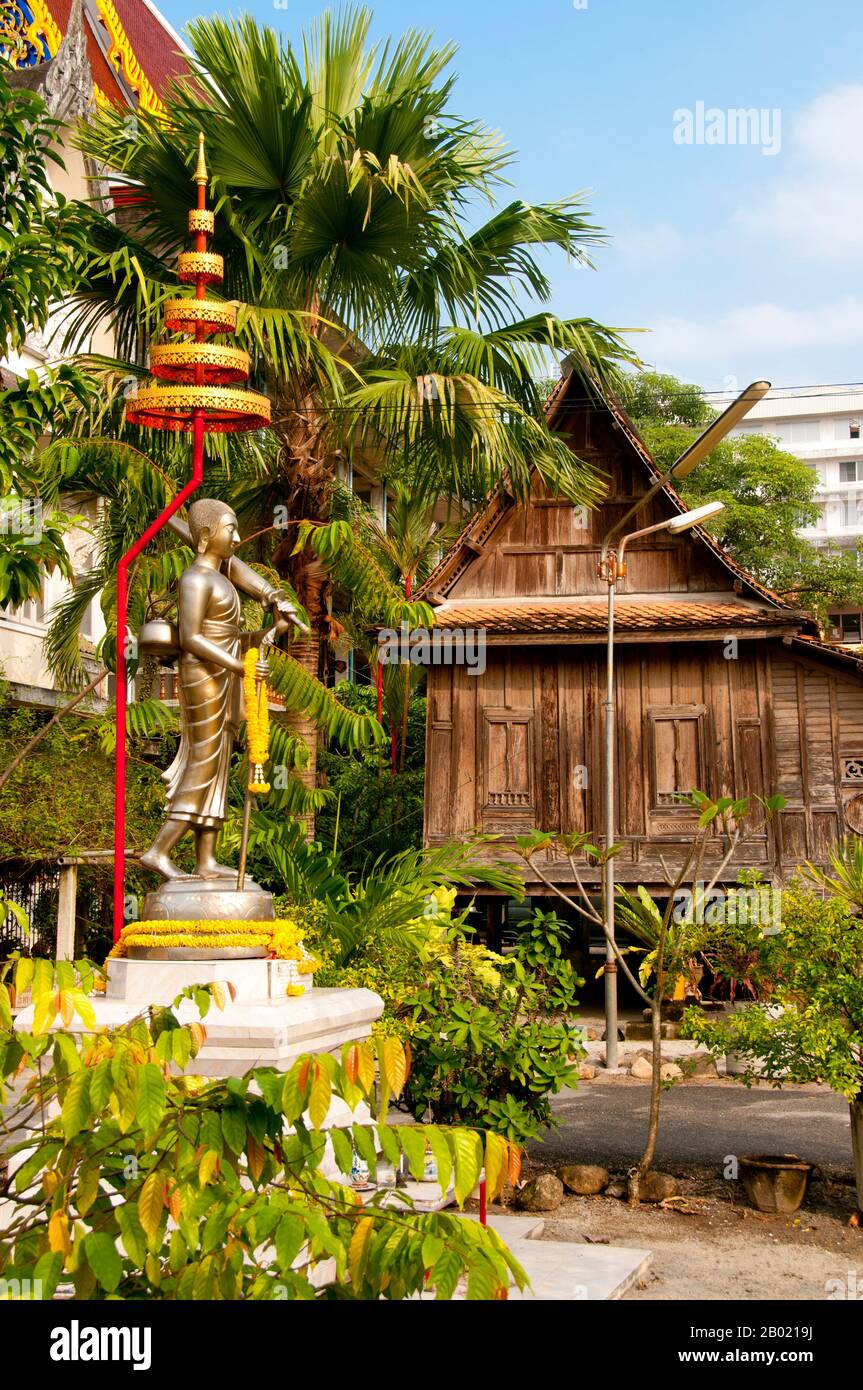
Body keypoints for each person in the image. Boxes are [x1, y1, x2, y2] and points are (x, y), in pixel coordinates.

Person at [139, 498, 297, 879]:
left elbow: (233, 637)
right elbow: (192, 638)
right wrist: (240, 665)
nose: (238, 538)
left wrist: (274, 627)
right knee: (204, 759)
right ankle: (159, 850)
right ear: (206, 536)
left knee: (220, 763)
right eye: (231, 530)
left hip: (223, 675)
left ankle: (205, 860)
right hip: (201, 676)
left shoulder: (221, 579)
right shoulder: (195, 578)